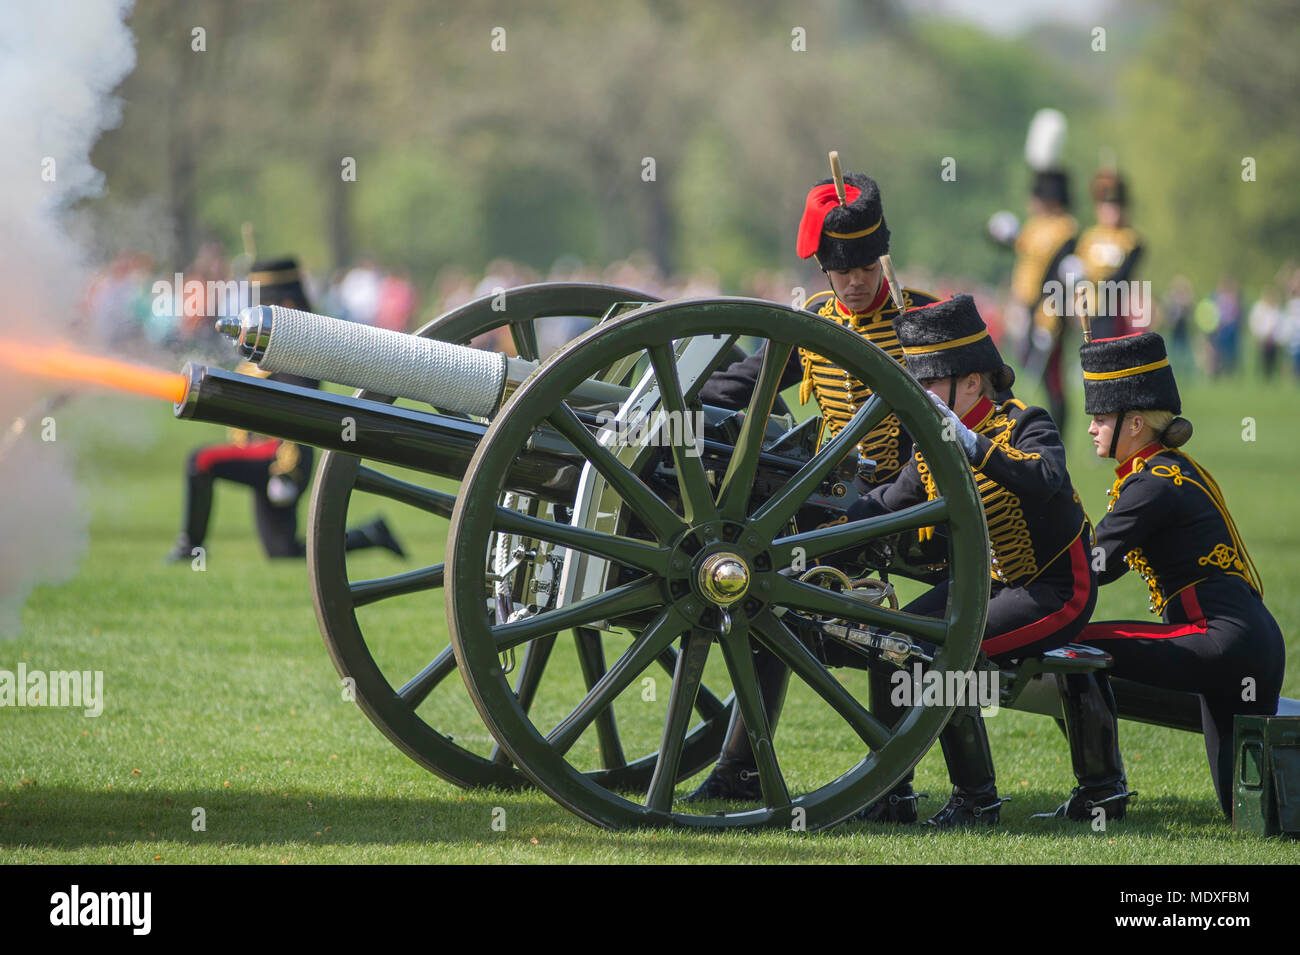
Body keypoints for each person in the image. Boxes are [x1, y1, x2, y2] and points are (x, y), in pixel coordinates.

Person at [689, 170, 938, 815]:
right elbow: (745, 381)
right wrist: (680, 413)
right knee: (763, 598)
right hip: (841, 500)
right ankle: (741, 770)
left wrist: (882, 507)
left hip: (921, 509)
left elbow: (958, 426)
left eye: (861, 265)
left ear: (881, 254)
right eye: (839, 268)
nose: (853, 281)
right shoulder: (818, 325)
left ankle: (893, 787)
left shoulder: (926, 321)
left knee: (867, 624)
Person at [848, 295, 1128, 827]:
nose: (920, 396)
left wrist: (973, 444)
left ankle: (977, 799)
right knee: (888, 638)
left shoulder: (1027, 423)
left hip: (1054, 591)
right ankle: (891, 792)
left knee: (939, 652)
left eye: (929, 384)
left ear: (972, 383)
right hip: (990, 589)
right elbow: (883, 506)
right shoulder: (929, 445)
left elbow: (1044, 478)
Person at [1075, 332, 1286, 817]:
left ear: (1134, 424)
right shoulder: (1172, 469)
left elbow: (1093, 567)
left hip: (1218, 640)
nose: (1090, 428)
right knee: (1254, 815)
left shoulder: (1150, 485)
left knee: (1076, 649)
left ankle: (1101, 792)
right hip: (1252, 644)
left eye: (1100, 418)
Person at [166, 257, 405, 563]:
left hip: (278, 454)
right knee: (282, 550)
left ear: (287, 304)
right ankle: (370, 534)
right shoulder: (270, 344)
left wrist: (286, 469)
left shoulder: (297, 346)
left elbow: (299, 409)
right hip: (263, 450)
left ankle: (191, 547)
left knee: (201, 461)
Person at [1075, 168, 1143, 340]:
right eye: (1106, 205)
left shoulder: (1130, 239)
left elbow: (1122, 275)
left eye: (1115, 206)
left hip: (1116, 308)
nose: (1111, 211)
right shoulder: (1088, 239)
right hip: (1092, 310)